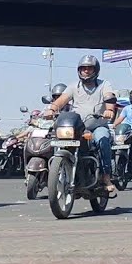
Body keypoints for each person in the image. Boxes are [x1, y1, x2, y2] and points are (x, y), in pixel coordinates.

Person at [46, 55, 119, 196]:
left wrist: (109, 110)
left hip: (97, 125)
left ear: (95, 70)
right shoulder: (74, 86)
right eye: (83, 68)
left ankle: (106, 177)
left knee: (103, 139)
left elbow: (109, 96)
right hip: (78, 126)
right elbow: (62, 99)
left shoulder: (104, 85)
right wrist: (52, 109)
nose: (86, 71)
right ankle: (58, 172)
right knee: (59, 139)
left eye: (89, 68)